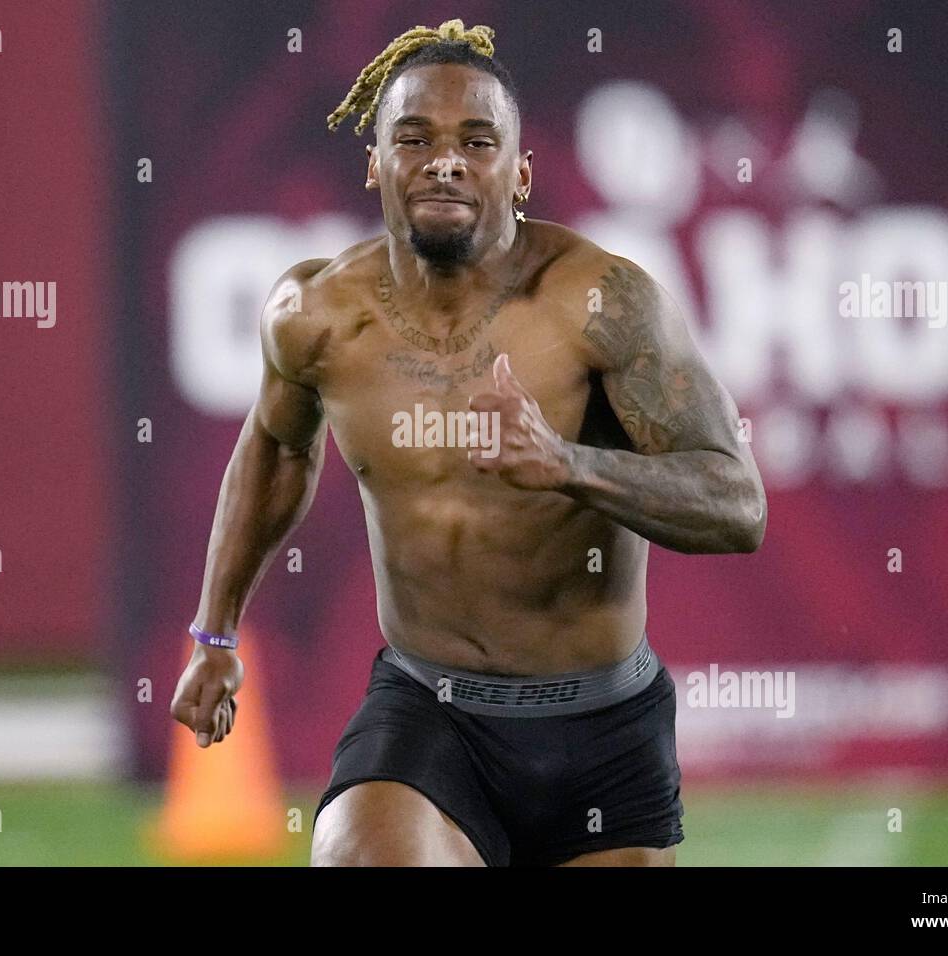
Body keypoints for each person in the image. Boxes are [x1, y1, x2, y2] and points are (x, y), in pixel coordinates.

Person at [170, 19, 766, 867]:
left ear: (519, 172)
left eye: (476, 141)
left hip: (601, 727)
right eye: (413, 138)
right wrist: (216, 636)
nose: (444, 160)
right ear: (376, 163)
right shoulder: (317, 314)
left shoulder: (603, 302)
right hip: (428, 714)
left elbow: (737, 505)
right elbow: (275, 450)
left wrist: (569, 466)